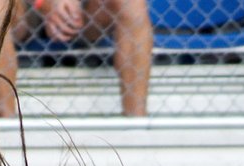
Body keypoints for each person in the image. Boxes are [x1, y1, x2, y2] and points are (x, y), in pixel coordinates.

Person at [12, 0, 153, 117]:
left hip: (85, 9)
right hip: (24, 8)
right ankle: (4, 127)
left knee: (133, 4)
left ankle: (136, 124)